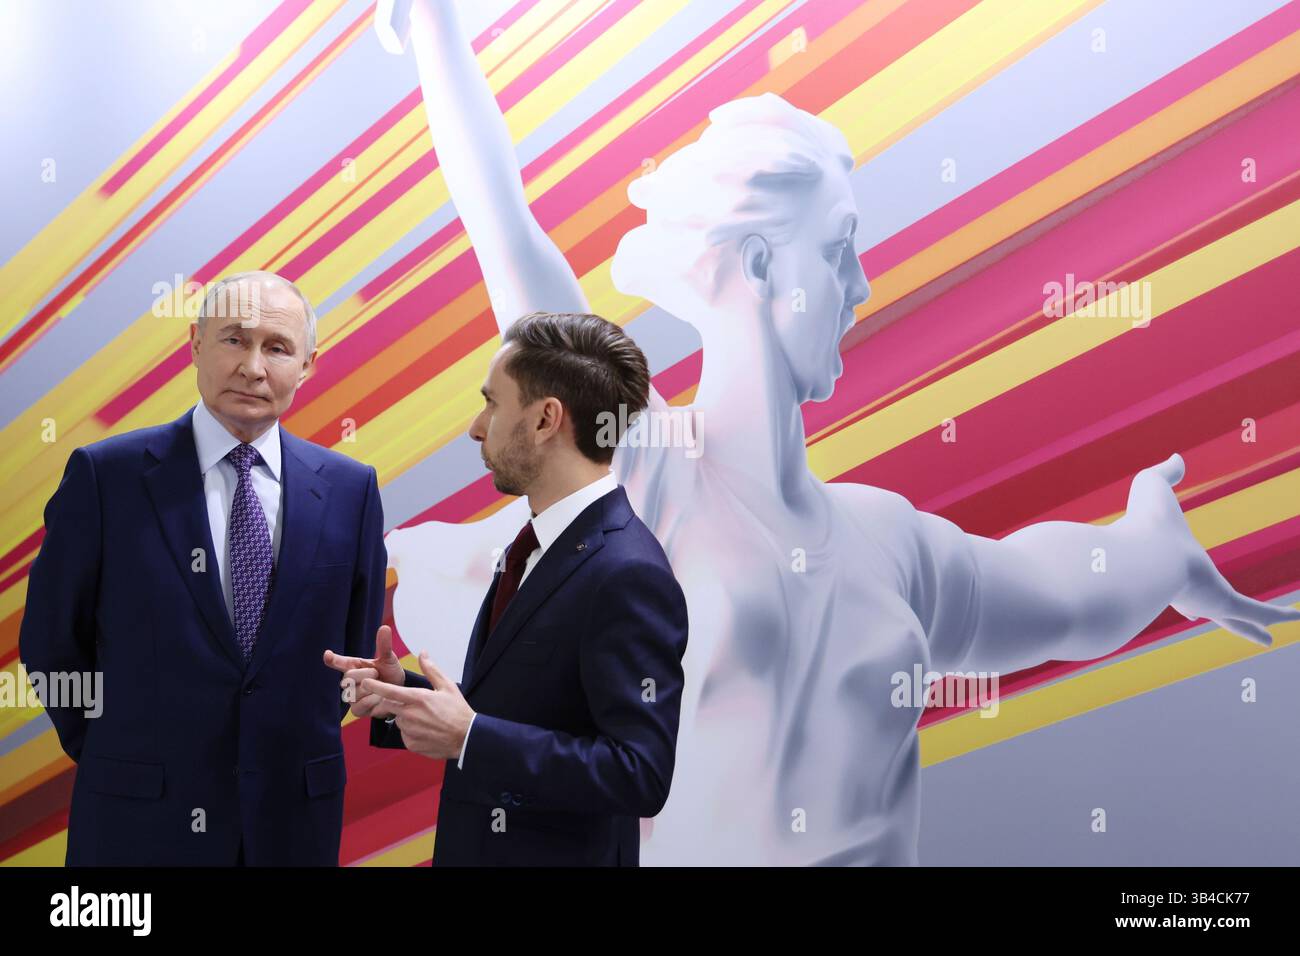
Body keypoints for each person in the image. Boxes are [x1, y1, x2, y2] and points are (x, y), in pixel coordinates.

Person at [370, 0, 1300, 865]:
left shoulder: (889, 543)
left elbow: (1068, 595)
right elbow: (507, 229)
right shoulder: (646, 473)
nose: (861, 287)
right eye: (841, 247)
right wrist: (437, 30)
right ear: (768, 262)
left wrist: (1155, 547)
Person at [19, 271, 387, 865]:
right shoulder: (106, 476)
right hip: (137, 824)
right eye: (234, 340)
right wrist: (112, 749)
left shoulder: (351, 488)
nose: (253, 367)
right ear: (194, 343)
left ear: (308, 364)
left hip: (289, 825)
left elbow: (352, 650)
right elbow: (51, 640)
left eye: (277, 347)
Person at [326, 311, 688, 866]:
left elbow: (638, 772)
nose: (476, 425)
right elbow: (527, 709)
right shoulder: (540, 543)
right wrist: (410, 697)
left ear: (546, 420)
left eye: (493, 402)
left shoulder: (626, 572)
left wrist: (469, 736)